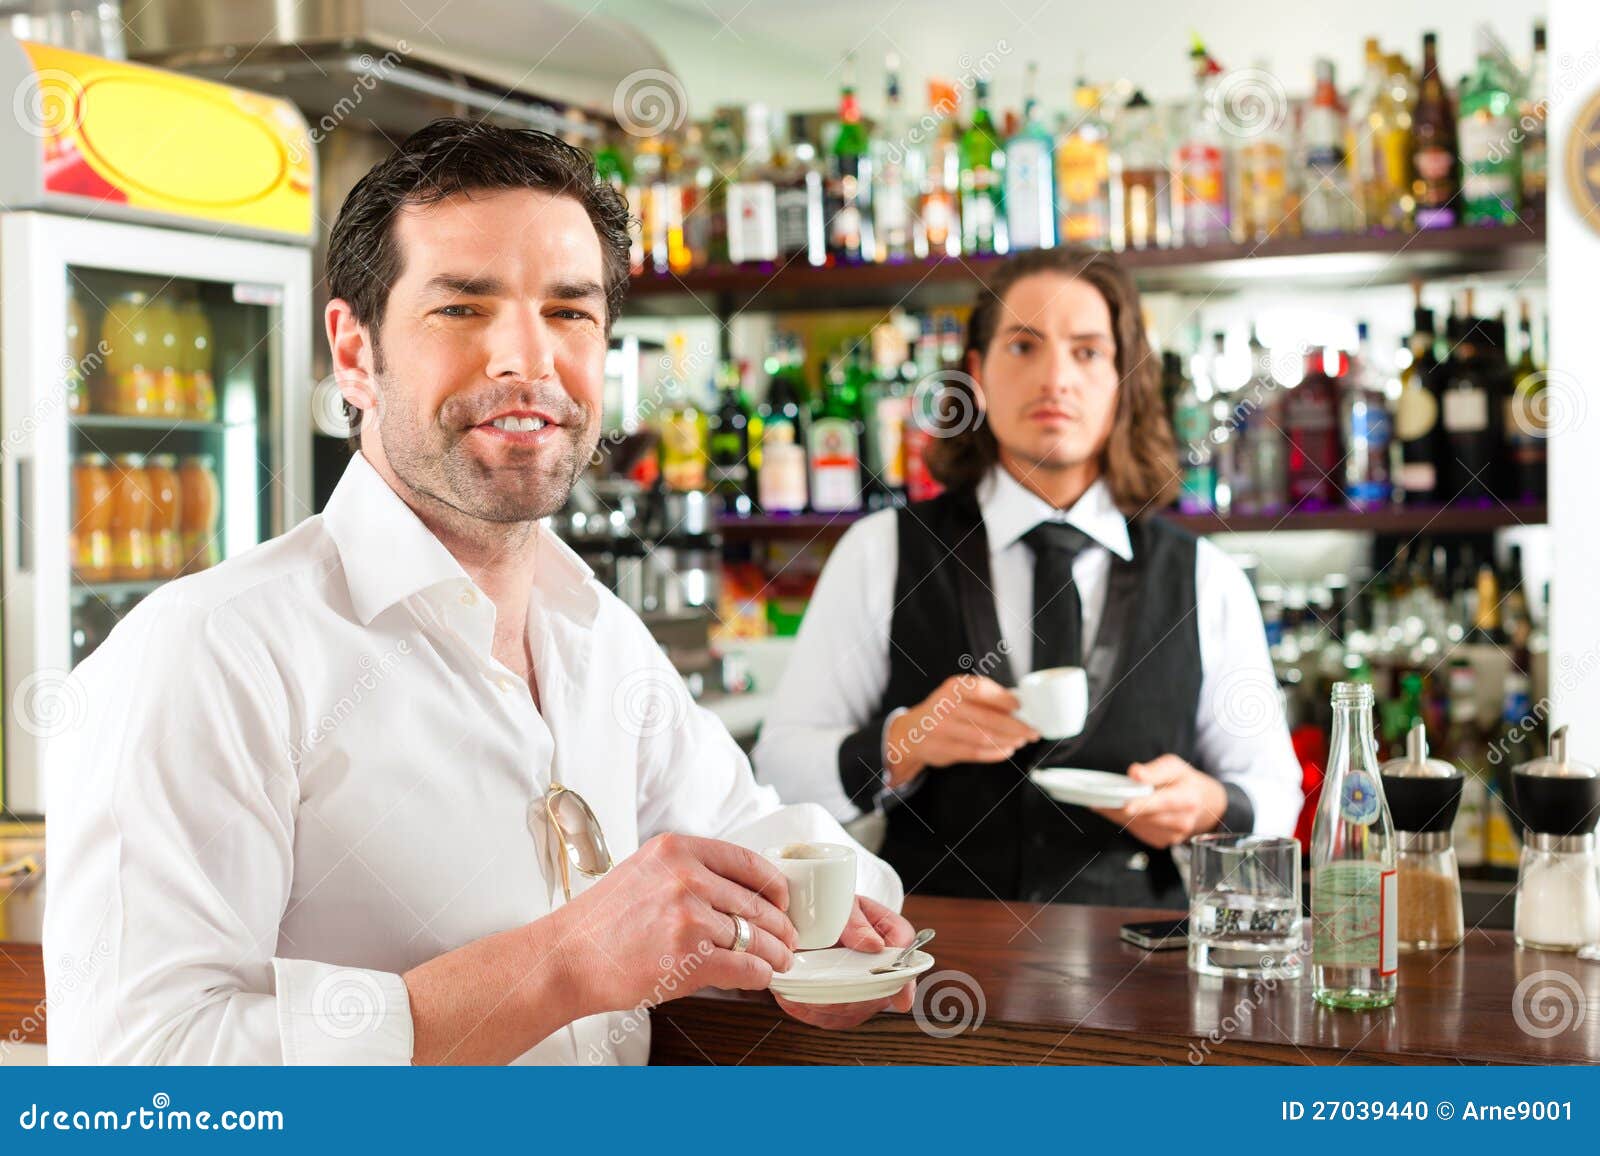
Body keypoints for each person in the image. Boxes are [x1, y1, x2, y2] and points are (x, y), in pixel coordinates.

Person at [44, 118, 912, 1066]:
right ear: (353, 351)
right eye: (463, 308)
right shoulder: (209, 652)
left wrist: (839, 944)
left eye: (571, 311)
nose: (527, 360)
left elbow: (760, 835)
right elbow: (138, 1077)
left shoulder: (597, 635)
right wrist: (563, 964)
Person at [754, 247, 1302, 908]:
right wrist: (903, 742)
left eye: (1088, 352)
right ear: (977, 374)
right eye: (1024, 346)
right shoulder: (882, 551)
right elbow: (778, 772)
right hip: (933, 960)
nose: (1056, 378)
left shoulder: (1204, 579)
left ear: (1124, 378)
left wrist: (1208, 804)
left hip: (1141, 972)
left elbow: (1275, 793)